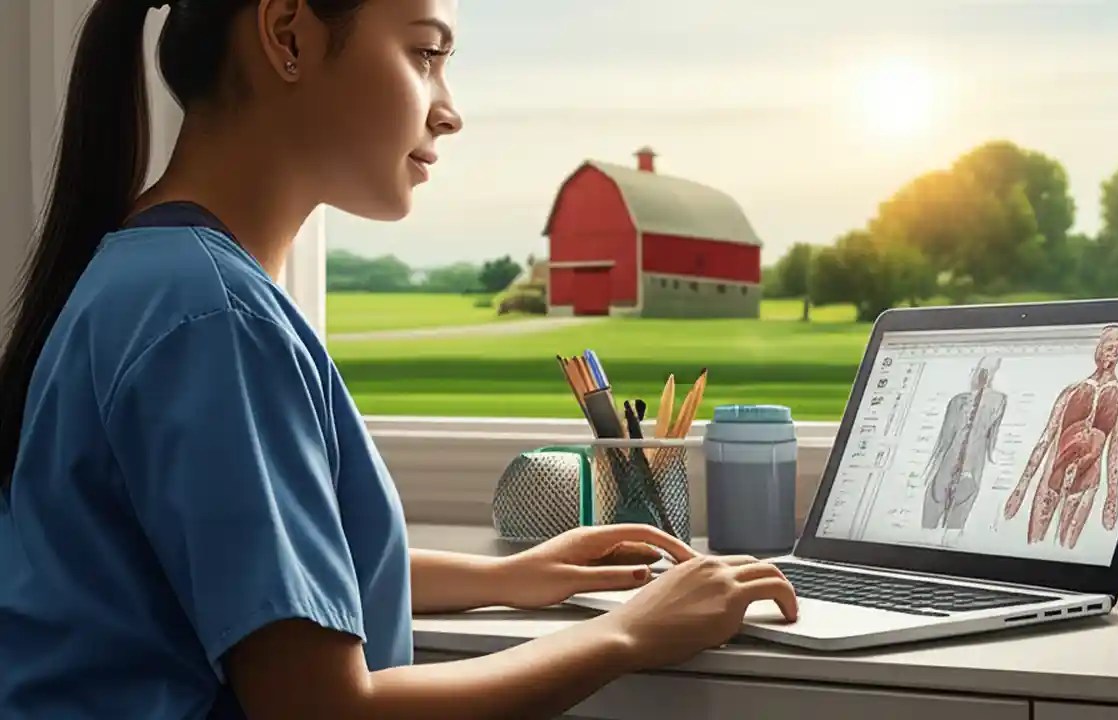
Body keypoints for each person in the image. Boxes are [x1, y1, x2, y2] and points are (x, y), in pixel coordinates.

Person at [0, 1, 799, 718]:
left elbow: (250, 577)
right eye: (425, 54)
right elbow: (321, 707)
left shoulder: (155, 276)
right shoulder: (215, 318)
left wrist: (506, 579)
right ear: (288, 35)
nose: (449, 113)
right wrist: (626, 637)